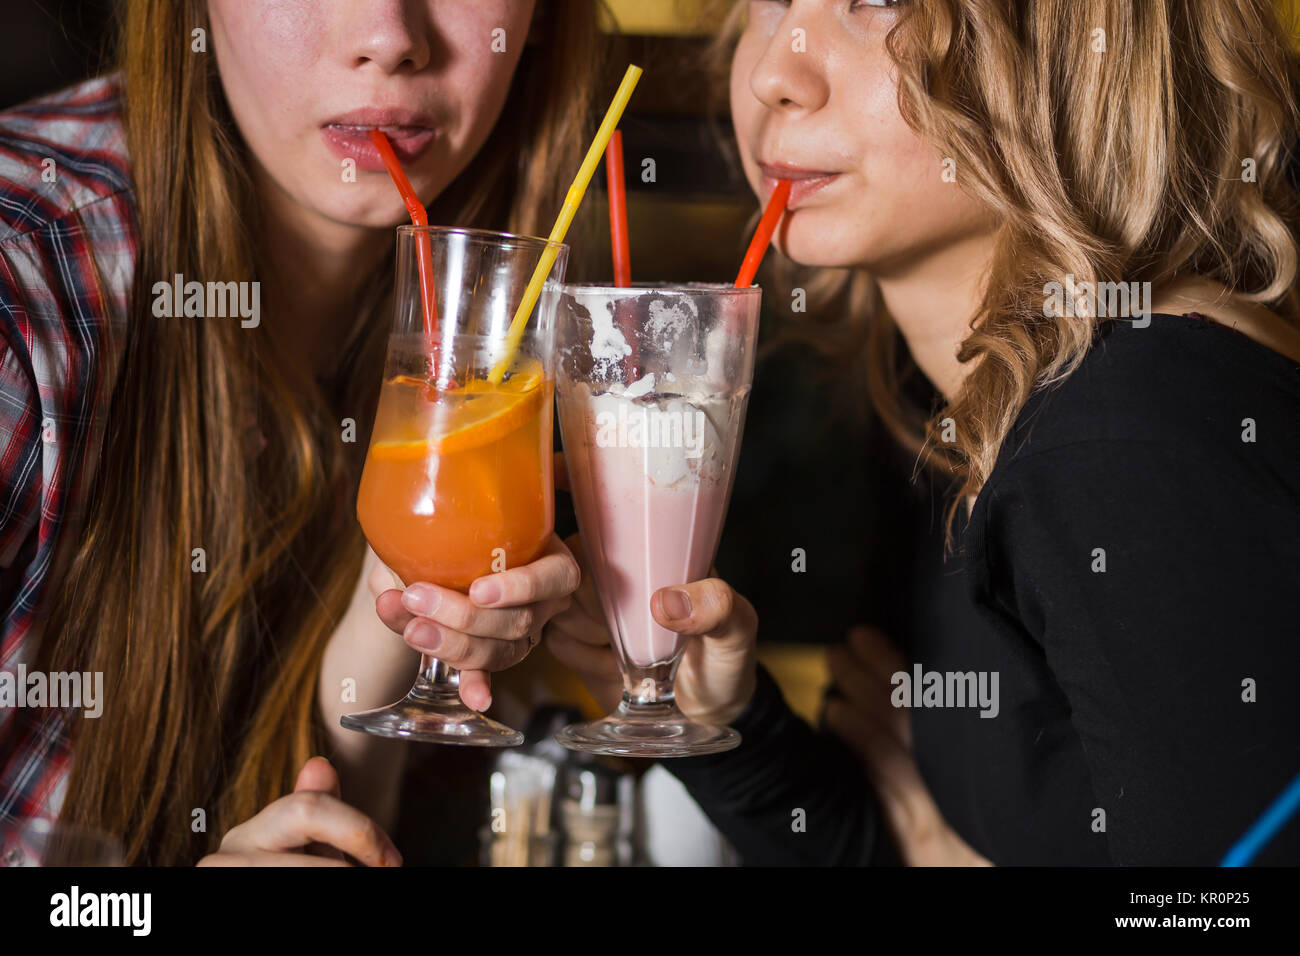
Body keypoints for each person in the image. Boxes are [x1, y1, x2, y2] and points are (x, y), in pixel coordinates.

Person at [545, 0, 1300, 865]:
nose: (772, 76)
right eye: (769, 3)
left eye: (877, 4)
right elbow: (888, 840)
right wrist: (721, 719)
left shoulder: (1131, 435)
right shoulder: (943, 394)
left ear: (1074, 49)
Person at [0, 0, 598, 866]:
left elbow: (320, 830)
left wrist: (392, 623)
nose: (391, 37)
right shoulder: (23, 299)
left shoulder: (504, 334)